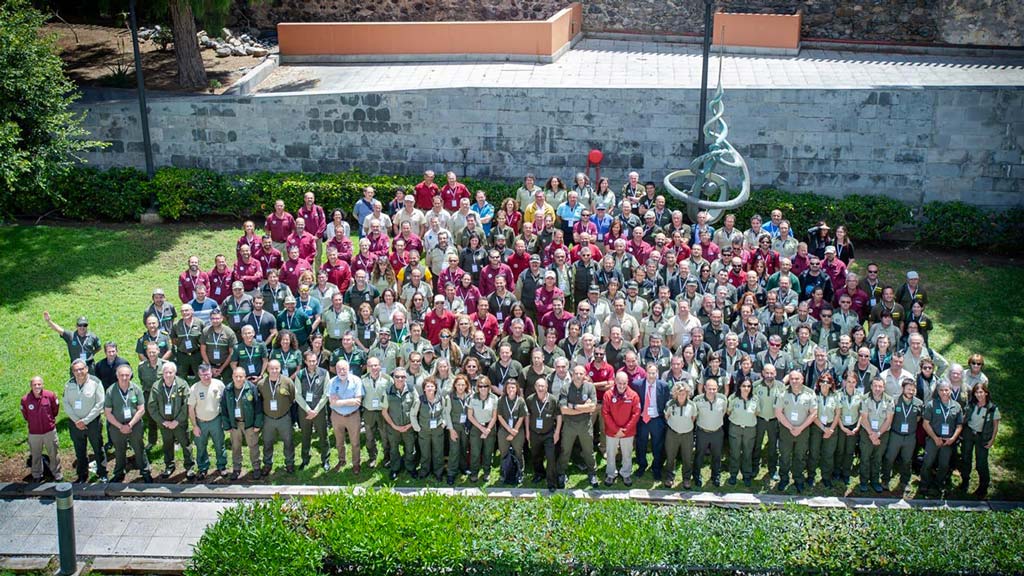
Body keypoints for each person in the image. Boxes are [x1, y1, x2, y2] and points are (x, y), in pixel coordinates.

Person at [104, 364, 152, 483]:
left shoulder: (136, 389)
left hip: (134, 425)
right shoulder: (111, 391)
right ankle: (119, 473)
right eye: (122, 375)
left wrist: (130, 425)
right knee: (119, 450)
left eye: (127, 375)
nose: (124, 378)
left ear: (130, 375)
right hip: (117, 426)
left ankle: (145, 471)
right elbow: (108, 413)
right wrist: (121, 426)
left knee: (139, 448)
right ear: (117, 376)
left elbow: (141, 409)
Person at [147, 361, 195, 479]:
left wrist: (177, 421)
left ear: (175, 373)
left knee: (186, 444)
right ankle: (169, 466)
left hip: (180, 423)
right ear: (162, 373)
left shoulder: (182, 384)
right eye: (166, 372)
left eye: (170, 372)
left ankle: (190, 467)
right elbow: (152, 407)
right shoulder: (156, 386)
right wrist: (163, 421)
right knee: (167, 445)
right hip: (164, 423)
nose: (168, 375)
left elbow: (186, 404)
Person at [64, 359, 107, 483]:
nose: (79, 372)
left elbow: (100, 403)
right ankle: (82, 474)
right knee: (80, 450)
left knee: (98, 449)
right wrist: (77, 420)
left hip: (92, 422)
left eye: (81, 369)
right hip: (75, 424)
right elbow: (66, 403)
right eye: (76, 370)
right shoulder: (69, 385)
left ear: (86, 369)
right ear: (73, 372)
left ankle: (102, 473)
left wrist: (86, 420)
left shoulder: (95, 382)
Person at [774, 370, 817, 492]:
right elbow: (778, 412)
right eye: (792, 379)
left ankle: (798, 479)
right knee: (784, 455)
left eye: (797, 379)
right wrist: (791, 427)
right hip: (786, 430)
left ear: (802, 380)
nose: (794, 381)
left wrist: (800, 428)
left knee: (800, 456)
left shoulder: (810, 393)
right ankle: (784, 479)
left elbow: (813, 413)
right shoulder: (783, 393)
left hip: (803, 430)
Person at [557, 366, 600, 489]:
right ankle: (561, 472)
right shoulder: (565, 388)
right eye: (576, 373)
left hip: (585, 425)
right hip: (569, 425)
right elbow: (564, 410)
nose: (578, 376)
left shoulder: (590, 387)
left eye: (581, 373)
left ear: (585, 375)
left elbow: (593, 407)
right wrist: (584, 408)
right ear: (572, 374)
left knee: (588, 451)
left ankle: (592, 473)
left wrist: (574, 406)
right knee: (565, 450)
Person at [920, 380, 964, 497]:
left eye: (946, 390)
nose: (944, 392)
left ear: (950, 391)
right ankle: (924, 484)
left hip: (948, 442)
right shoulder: (931, 405)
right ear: (938, 392)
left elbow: (959, 426)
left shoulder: (957, 406)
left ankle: (938, 484)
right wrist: (935, 438)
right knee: (927, 462)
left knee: (944, 465)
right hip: (933, 439)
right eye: (941, 390)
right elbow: (925, 424)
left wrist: (953, 439)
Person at [882, 378, 923, 494]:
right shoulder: (894, 401)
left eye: (913, 390)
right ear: (903, 388)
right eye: (908, 389)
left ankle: (905, 481)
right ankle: (885, 479)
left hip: (910, 436)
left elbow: (918, 418)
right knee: (889, 458)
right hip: (895, 434)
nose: (911, 392)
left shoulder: (919, 403)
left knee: (907, 460)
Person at [221, 366, 263, 480]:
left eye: (241, 376)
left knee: (253, 446)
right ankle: (236, 468)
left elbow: (258, 407)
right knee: (235, 447)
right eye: (236, 376)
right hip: (235, 424)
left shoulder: (252, 388)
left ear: (245, 377)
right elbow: (223, 408)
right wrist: (227, 425)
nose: (238, 379)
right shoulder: (227, 389)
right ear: (232, 376)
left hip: (249, 424)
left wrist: (257, 424)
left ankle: (256, 467)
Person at [189, 364, 227, 480]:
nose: (206, 377)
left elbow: (225, 403)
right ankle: (203, 468)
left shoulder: (219, 385)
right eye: (203, 375)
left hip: (216, 420)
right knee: (200, 446)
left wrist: (224, 420)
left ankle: (222, 466)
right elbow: (190, 408)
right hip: (200, 422)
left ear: (212, 373)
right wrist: (194, 426)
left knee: (219, 444)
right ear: (199, 375)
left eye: (208, 374)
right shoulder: (194, 388)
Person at [258, 359, 296, 475]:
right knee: (267, 442)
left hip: (284, 418)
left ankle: (289, 463)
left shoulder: (287, 382)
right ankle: (267, 464)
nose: (274, 371)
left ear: (280, 369)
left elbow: (292, 398)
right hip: (268, 418)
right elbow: (260, 401)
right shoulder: (261, 384)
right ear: (267, 369)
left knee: (288, 441)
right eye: (272, 368)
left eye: (277, 368)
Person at [602, 371, 640, 486]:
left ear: (627, 382)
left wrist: (625, 430)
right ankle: (611, 474)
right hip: (612, 431)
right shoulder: (608, 394)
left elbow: (636, 414)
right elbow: (605, 413)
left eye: (624, 383)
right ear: (615, 382)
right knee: (611, 453)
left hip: (627, 432)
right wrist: (616, 430)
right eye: (619, 383)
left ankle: (626, 473)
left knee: (627, 453)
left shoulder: (633, 395)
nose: (622, 386)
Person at [22, 376, 63, 482]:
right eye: (34, 384)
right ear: (31, 386)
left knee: (53, 453)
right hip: (34, 433)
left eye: (39, 384)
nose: (37, 386)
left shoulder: (50, 395)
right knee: (35, 455)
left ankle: (57, 473)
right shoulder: (25, 400)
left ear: (42, 385)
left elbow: (55, 410)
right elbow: (25, 415)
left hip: (49, 431)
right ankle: (37, 475)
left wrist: (49, 420)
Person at [961, 382, 998, 498]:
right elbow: (964, 418)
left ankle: (983, 487)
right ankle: (965, 481)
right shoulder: (971, 405)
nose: (979, 395)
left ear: (986, 393)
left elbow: (995, 427)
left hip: (982, 436)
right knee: (965, 457)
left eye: (981, 392)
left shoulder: (992, 408)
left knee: (981, 462)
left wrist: (992, 440)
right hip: (969, 433)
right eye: (976, 392)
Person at [632, 363, 668, 481]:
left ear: (657, 373)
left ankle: (656, 468)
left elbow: (666, 402)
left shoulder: (663, 385)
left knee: (657, 445)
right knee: (641, 444)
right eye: (649, 373)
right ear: (645, 373)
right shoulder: (637, 385)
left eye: (654, 373)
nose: (651, 375)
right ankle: (642, 465)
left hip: (657, 419)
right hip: (642, 419)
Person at [858, 376, 894, 494]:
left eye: (880, 386)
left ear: (884, 387)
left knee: (878, 458)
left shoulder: (889, 400)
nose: (877, 389)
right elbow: (864, 418)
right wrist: (871, 435)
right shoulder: (864, 398)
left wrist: (877, 434)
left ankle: (875, 481)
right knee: (865, 457)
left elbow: (889, 420)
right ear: (871, 386)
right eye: (875, 386)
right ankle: (863, 481)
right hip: (867, 432)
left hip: (882, 433)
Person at [525, 377, 561, 492]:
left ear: (546, 387)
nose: (540, 388)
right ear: (535, 387)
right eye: (538, 386)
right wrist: (527, 432)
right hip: (534, 433)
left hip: (549, 434)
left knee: (551, 458)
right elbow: (527, 416)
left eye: (543, 386)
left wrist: (557, 432)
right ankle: (539, 474)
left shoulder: (553, 400)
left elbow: (559, 416)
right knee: (536, 456)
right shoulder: (530, 399)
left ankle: (551, 482)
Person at [296, 351, 331, 470]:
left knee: (323, 435)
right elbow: (297, 395)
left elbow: (326, 394)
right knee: (305, 435)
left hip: (319, 410)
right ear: (305, 362)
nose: (312, 363)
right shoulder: (300, 374)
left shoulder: (324, 373)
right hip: (304, 410)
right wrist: (308, 409)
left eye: (314, 361)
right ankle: (305, 459)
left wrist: (316, 410)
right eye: (310, 361)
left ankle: (325, 459)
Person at [807, 373, 840, 488]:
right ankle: (811, 476)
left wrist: (830, 429)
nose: (825, 384)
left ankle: (826, 477)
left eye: (828, 382)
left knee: (828, 454)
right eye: (823, 381)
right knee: (814, 452)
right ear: (819, 383)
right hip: (817, 426)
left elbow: (838, 414)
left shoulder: (835, 396)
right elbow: (813, 414)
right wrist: (823, 428)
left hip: (831, 427)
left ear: (831, 384)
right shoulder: (814, 395)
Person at [383, 367, 417, 480]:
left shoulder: (412, 389)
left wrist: (410, 424)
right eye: (397, 376)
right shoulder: (388, 391)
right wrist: (394, 426)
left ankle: (410, 467)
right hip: (393, 428)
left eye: (402, 377)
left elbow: (417, 407)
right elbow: (384, 412)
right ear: (393, 377)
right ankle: (395, 468)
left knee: (410, 449)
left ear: (406, 378)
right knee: (394, 449)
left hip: (409, 426)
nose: (400, 379)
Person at [752, 364, 784, 482]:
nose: (769, 375)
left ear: (775, 373)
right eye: (767, 373)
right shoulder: (756, 385)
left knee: (773, 447)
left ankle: (773, 469)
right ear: (762, 373)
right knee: (757, 445)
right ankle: (755, 467)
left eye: (771, 373)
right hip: (759, 420)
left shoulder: (781, 386)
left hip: (774, 421)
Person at [693, 378, 727, 487]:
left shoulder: (723, 399)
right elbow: (695, 415)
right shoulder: (697, 400)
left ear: (717, 389)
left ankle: (715, 476)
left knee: (717, 456)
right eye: (709, 388)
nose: (712, 391)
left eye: (714, 389)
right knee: (699, 455)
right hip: (702, 432)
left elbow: (723, 412)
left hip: (717, 432)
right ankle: (697, 475)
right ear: (704, 388)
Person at [727, 378, 758, 486]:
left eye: (748, 386)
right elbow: (728, 411)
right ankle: (733, 475)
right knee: (735, 453)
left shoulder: (755, 399)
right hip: (735, 428)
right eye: (744, 386)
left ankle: (746, 475)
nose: (746, 388)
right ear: (739, 386)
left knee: (747, 453)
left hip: (750, 429)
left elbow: (757, 413)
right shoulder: (733, 398)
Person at [496, 380, 528, 484]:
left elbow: (522, 417)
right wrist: (509, 430)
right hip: (504, 430)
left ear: (517, 388)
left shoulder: (521, 401)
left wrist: (514, 431)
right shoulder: (501, 400)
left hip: (518, 431)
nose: (511, 390)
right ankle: (504, 472)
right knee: (503, 452)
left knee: (518, 452)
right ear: (505, 389)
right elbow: (500, 416)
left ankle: (520, 472)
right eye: (509, 387)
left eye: (513, 387)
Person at [835, 371, 862, 485]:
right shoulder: (838, 394)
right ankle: (837, 471)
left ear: (856, 383)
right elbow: (836, 413)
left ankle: (846, 473)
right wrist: (842, 427)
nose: (851, 384)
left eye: (853, 382)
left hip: (853, 427)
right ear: (844, 382)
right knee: (840, 450)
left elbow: (861, 413)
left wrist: (857, 427)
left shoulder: (860, 395)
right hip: (841, 425)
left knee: (849, 451)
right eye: (849, 381)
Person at [171, 304, 205, 383]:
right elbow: (173, 339)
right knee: (181, 377)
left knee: (200, 376)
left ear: (192, 311)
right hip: (182, 355)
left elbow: (204, 339)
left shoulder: (200, 323)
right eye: (182, 311)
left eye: (186, 310)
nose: (184, 313)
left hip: (196, 354)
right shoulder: (176, 325)